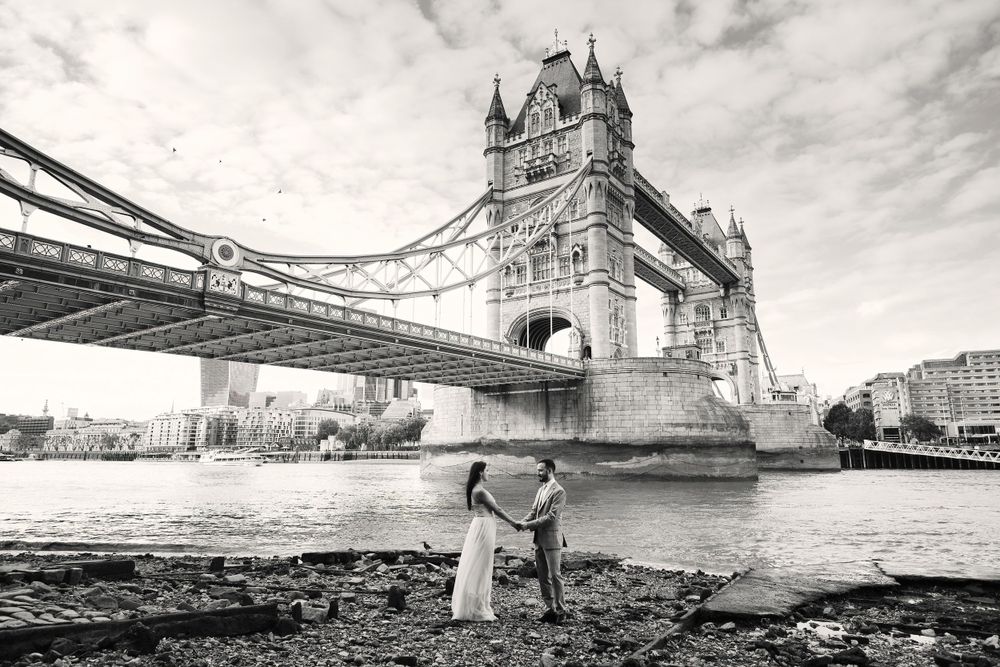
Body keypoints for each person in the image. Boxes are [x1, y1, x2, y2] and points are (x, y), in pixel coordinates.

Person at [451, 461, 521, 621]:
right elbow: (498, 509)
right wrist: (514, 523)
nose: (489, 473)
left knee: (478, 564)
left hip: (481, 525)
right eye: (487, 470)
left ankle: (476, 603)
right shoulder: (479, 491)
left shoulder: (475, 489)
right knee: (481, 565)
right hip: (484, 526)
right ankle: (476, 606)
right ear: (481, 472)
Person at [521, 458, 568, 624]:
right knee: (542, 576)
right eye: (537, 470)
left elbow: (551, 517)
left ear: (549, 471)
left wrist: (527, 525)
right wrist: (521, 523)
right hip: (539, 539)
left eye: (540, 470)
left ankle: (561, 611)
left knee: (555, 575)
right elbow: (534, 511)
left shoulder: (559, 491)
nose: (538, 473)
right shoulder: (541, 490)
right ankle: (550, 609)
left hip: (552, 539)